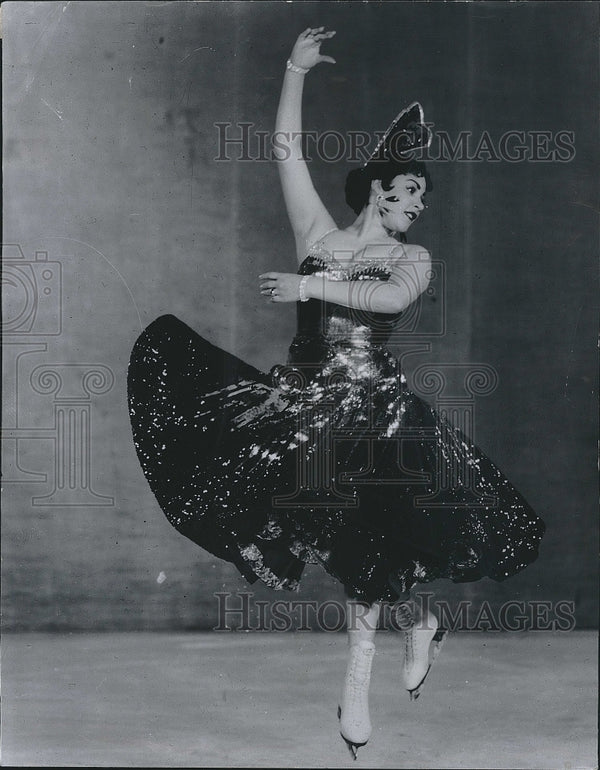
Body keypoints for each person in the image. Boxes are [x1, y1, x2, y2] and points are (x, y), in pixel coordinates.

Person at [127, 27, 545, 759]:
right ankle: (417, 626)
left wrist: (311, 284)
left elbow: (386, 306)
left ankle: (358, 684)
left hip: (378, 413)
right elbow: (286, 153)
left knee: (377, 538)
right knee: (347, 539)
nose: (418, 205)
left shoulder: (412, 257)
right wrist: (295, 70)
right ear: (379, 186)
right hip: (308, 408)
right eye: (410, 190)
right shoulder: (317, 229)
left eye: (423, 197)